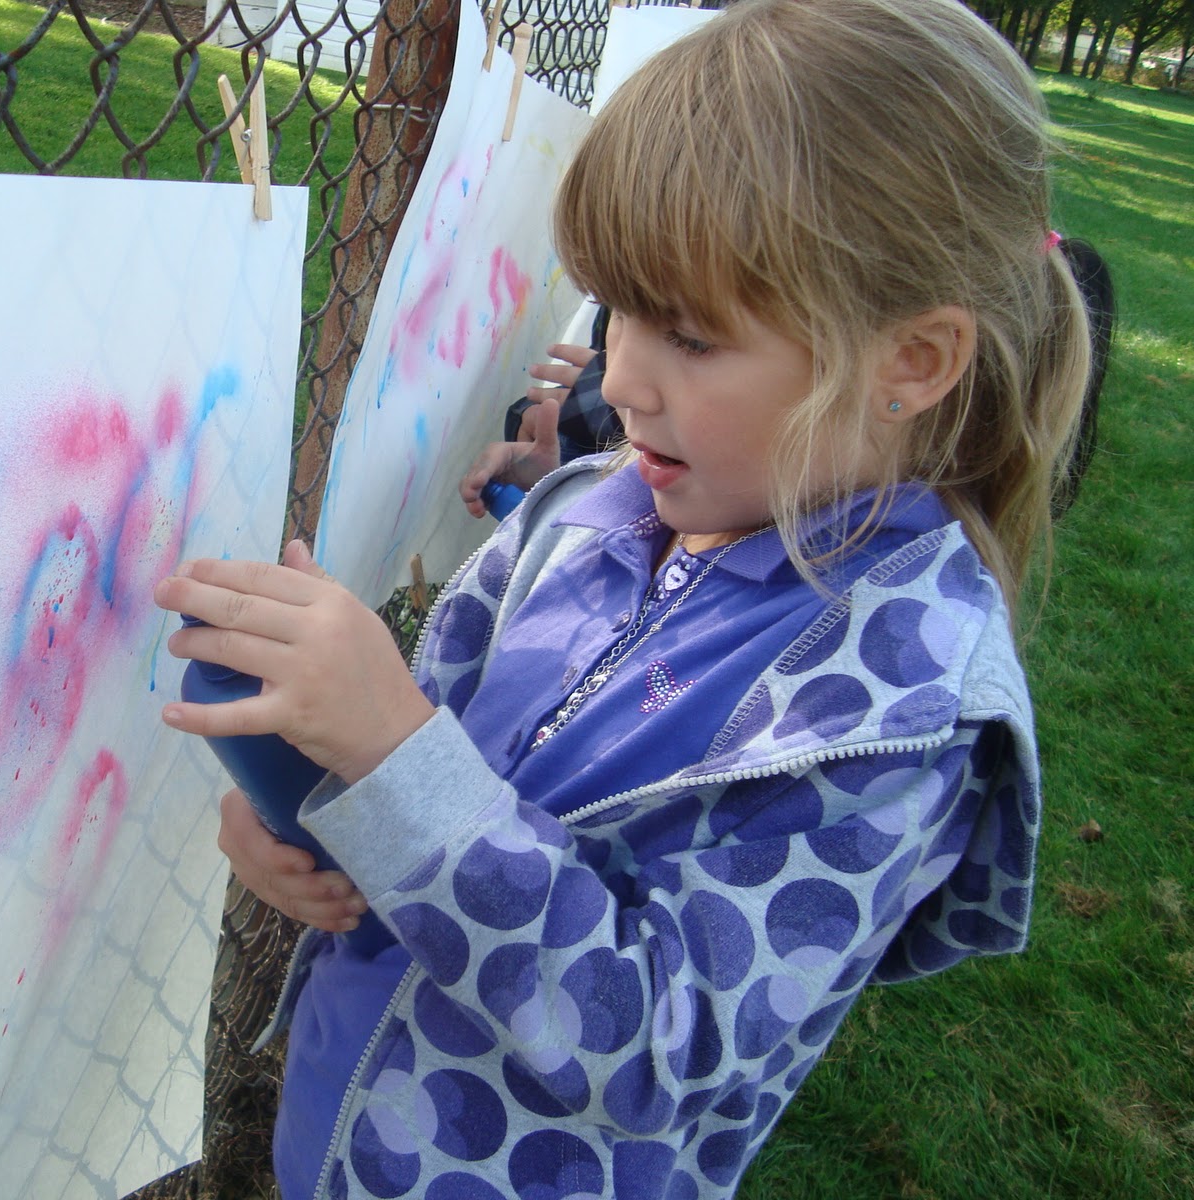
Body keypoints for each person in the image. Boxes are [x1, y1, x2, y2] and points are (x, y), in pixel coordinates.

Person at [151, 0, 1094, 1195]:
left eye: (691, 337)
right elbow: (433, 752)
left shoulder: (900, 706)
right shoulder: (588, 507)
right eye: (615, 312)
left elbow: (663, 1045)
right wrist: (312, 816)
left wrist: (392, 759)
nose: (622, 378)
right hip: (340, 1142)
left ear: (909, 361)